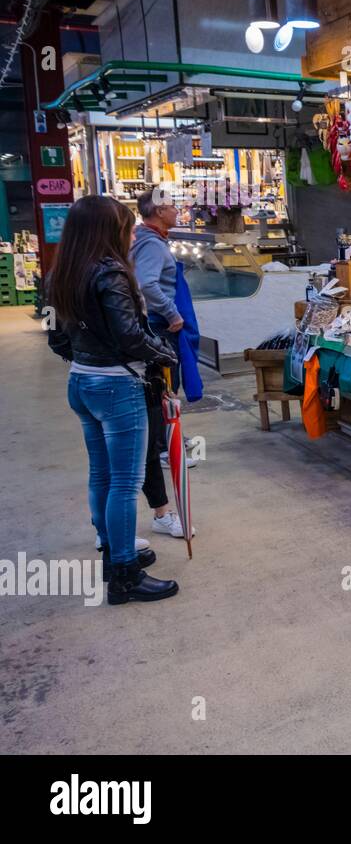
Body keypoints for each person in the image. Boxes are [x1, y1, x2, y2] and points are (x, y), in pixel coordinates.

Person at [46, 195, 180, 604]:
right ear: (109, 231)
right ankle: (124, 573)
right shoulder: (109, 272)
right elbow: (128, 334)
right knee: (125, 481)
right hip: (117, 387)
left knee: (101, 473)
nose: (130, 235)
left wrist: (87, 360)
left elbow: (55, 338)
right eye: (125, 228)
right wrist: (163, 354)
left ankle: (110, 551)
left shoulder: (59, 273)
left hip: (81, 384)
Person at [131, 188, 193, 539]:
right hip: (159, 327)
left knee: (165, 391)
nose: (178, 211)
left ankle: (167, 445)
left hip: (152, 326)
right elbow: (147, 284)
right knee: (167, 389)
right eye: (172, 206)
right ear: (157, 211)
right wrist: (171, 314)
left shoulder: (147, 239)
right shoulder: (152, 244)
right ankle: (166, 447)